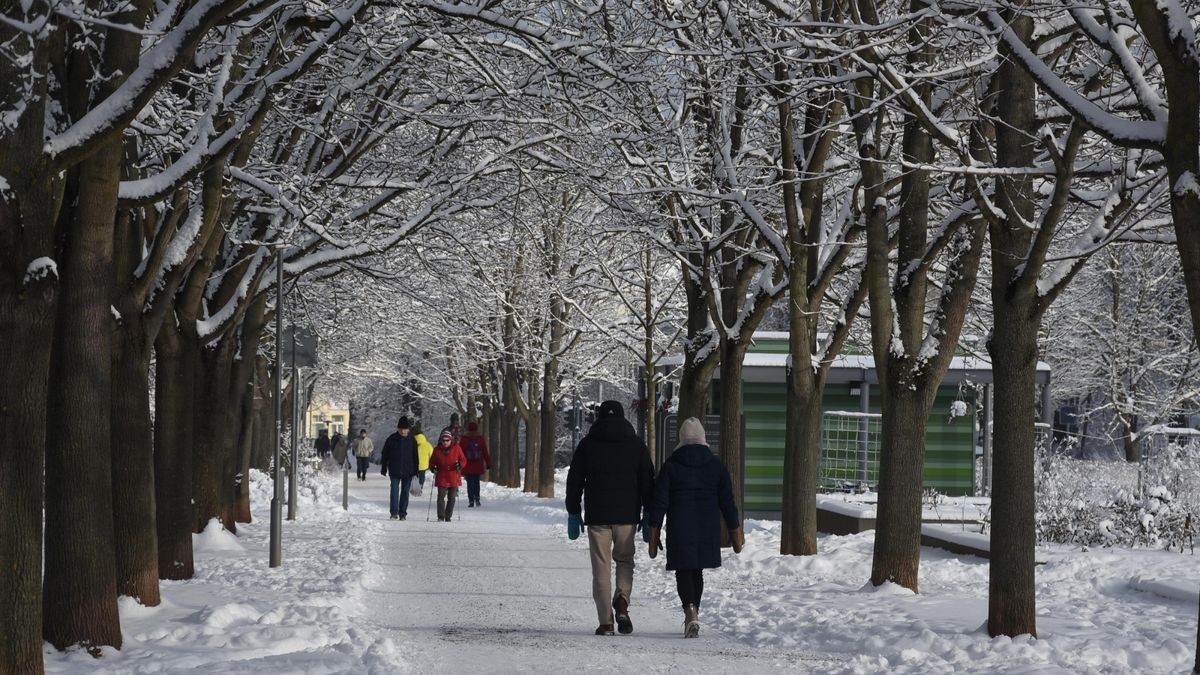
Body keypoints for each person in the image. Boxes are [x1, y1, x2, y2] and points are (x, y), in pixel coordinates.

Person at [646, 417, 743, 639]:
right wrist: (734, 531)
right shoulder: (716, 466)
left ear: (681, 439)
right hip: (707, 526)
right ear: (703, 439)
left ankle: (689, 609)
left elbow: (659, 502)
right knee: (697, 569)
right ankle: (694, 611)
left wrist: (654, 532)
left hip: (680, 525)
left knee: (684, 570)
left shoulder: (671, 466)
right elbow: (727, 502)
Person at [565, 400, 654, 636]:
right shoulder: (636, 445)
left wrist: (573, 510)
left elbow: (574, 481)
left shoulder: (587, 445)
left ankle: (606, 622)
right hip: (627, 516)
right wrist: (648, 513)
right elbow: (647, 481)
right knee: (625, 561)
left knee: (601, 568)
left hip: (598, 515)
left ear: (599, 418)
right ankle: (622, 599)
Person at [380, 417, 419, 520]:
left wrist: (416, 471)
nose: (402, 431)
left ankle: (403, 513)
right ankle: (394, 512)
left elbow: (415, 456)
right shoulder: (391, 439)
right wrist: (384, 467)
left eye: (405, 429)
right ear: (397, 428)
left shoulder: (412, 440)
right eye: (401, 428)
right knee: (394, 491)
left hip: (408, 470)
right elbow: (385, 454)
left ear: (408, 429)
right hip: (394, 469)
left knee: (405, 492)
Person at [427, 429, 467, 522]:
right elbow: (432, 462)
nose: (445, 442)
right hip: (441, 475)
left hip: (453, 475)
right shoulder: (437, 450)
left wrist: (460, 465)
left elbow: (464, 460)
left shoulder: (457, 448)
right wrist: (433, 468)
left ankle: (448, 516)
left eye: (447, 440)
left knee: (452, 498)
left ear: (450, 440)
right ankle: (441, 516)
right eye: (443, 440)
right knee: (440, 497)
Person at [459, 421, 492, 507]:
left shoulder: (464, 439)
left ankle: (471, 501)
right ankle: (477, 499)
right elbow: (485, 452)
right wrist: (488, 463)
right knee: (476, 482)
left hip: (467, 465)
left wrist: (458, 463)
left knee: (470, 483)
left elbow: (459, 452)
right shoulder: (480, 439)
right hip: (478, 464)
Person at [412, 423, 434, 497]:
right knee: (422, 477)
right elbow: (432, 454)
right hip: (424, 465)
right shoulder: (427, 444)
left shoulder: (412, 443)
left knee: (415, 477)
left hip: (414, 464)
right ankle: (420, 487)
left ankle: (415, 489)